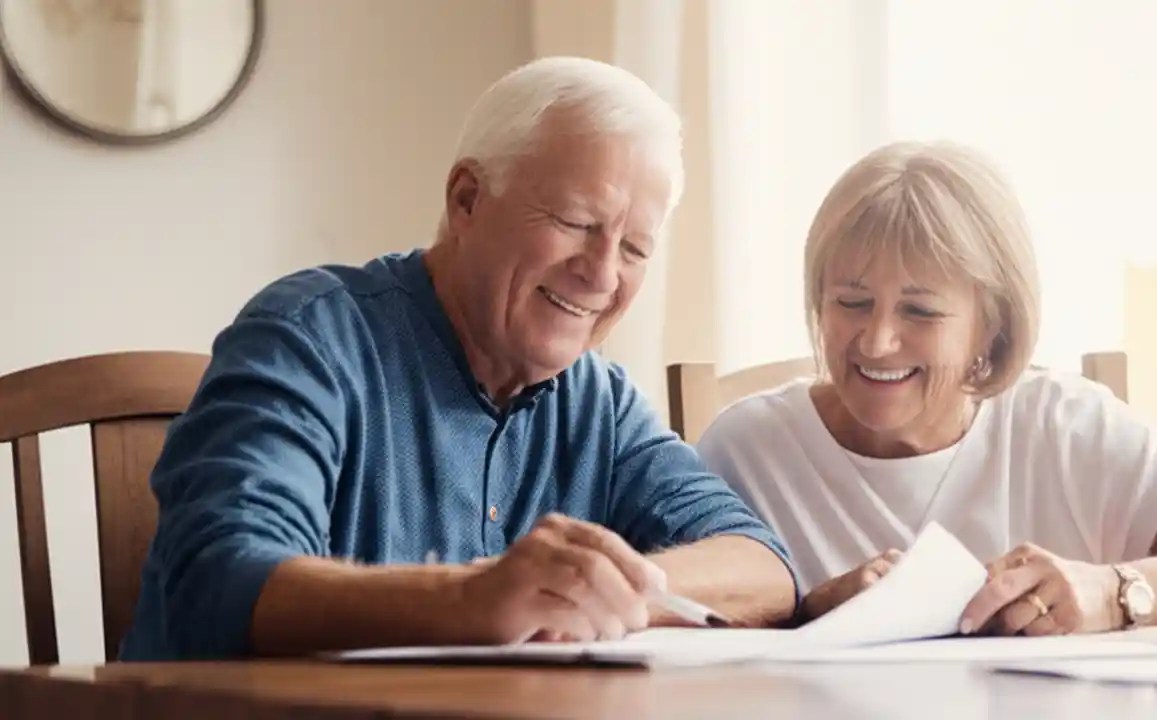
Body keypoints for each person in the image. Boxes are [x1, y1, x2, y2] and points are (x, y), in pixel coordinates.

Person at [120, 57, 796, 661]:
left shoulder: (600, 400)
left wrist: (609, 597)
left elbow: (764, 568)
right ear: (467, 199)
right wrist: (470, 601)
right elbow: (218, 581)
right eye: (575, 222)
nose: (601, 274)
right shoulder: (309, 337)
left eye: (634, 249)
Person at [697, 141, 1157, 637]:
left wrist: (1114, 591)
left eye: (920, 311)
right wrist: (804, 613)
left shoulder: (1062, 427)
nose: (875, 342)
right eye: (851, 302)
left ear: (992, 327)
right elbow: (660, 623)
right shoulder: (749, 449)